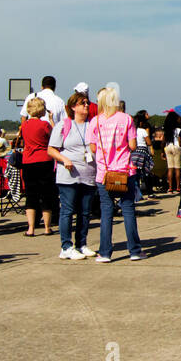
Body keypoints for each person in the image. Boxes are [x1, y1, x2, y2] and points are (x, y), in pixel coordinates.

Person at [87, 85, 143, 261]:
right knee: (128, 210)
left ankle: (104, 252)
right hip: (125, 171)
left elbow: (93, 147)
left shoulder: (94, 122)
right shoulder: (126, 119)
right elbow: (133, 146)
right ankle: (134, 250)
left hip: (104, 172)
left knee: (106, 212)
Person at [49, 91, 97, 259]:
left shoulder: (92, 125)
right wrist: (64, 159)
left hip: (88, 173)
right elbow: (51, 149)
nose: (86, 105)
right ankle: (66, 246)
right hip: (68, 174)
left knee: (85, 212)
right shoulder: (63, 125)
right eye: (82, 103)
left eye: (87, 102)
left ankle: (81, 243)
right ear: (73, 107)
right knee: (68, 211)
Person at [18, 97, 57, 237]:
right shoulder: (45, 125)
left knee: (30, 194)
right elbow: (54, 136)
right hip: (44, 160)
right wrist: (52, 120)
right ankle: (47, 227)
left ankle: (31, 228)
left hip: (28, 161)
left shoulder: (25, 126)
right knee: (46, 194)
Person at [162, 110, 181, 194]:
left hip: (168, 147)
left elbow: (163, 141)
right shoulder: (179, 130)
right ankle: (178, 187)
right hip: (176, 147)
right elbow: (180, 141)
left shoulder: (167, 129)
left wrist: (162, 151)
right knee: (178, 168)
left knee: (170, 168)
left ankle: (170, 187)